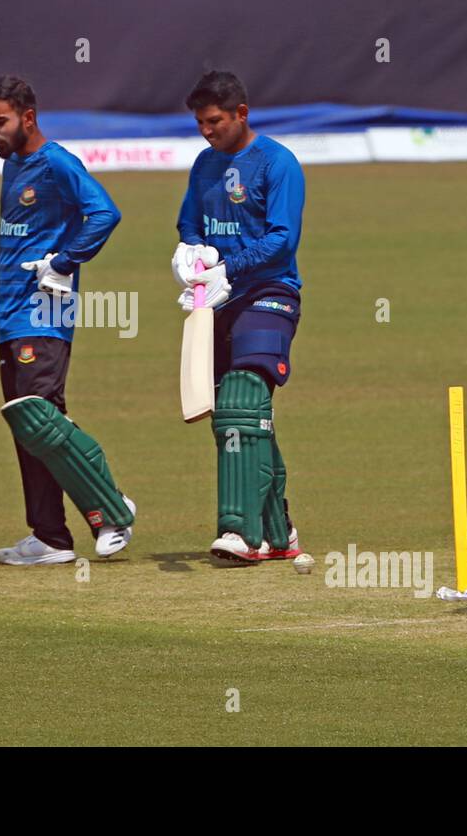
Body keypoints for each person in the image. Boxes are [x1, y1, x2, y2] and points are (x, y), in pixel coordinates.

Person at [0, 75, 135, 565]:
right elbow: (14, 238)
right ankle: (50, 536)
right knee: (27, 425)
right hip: (12, 314)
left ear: (28, 117)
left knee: (42, 417)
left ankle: (111, 507)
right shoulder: (13, 166)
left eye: (1, 122)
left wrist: (64, 261)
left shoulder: (56, 162)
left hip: (46, 311)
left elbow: (104, 213)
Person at [173, 71, 312, 568]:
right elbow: (190, 220)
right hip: (215, 302)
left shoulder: (278, 162)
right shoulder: (205, 164)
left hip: (269, 293)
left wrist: (228, 268)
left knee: (240, 400)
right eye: (200, 123)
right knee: (243, 418)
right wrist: (190, 252)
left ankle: (240, 532)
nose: (207, 132)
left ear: (241, 114)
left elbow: (282, 239)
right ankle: (280, 531)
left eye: (215, 122)